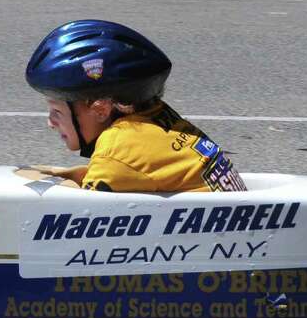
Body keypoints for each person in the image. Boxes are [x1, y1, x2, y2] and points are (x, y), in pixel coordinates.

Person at [25, 20, 246, 193]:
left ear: (101, 108)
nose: (50, 123)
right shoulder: (157, 116)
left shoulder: (116, 150)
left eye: (57, 111)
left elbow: (82, 208)